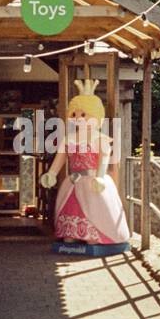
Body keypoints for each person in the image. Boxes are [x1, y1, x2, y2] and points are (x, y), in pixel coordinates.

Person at [39, 79, 131, 246]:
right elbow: (60, 158)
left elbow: (104, 159)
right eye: (74, 114)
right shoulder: (68, 139)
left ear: (96, 116)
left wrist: (101, 177)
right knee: (70, 207)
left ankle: (94, 234)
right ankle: (71, 232)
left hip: (94, 181)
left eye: (83, 114)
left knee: (95, 208)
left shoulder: (100, 139)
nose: (78, 118)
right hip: (73, 181)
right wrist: (51, 173)